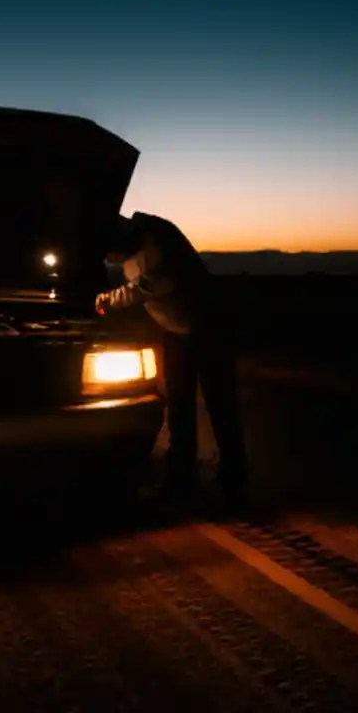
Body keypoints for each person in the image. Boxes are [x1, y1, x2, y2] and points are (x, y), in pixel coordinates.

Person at [95, 212, 248, 509]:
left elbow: (155, 283)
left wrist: (110, 300)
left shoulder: (158, 237)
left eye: (113, 254)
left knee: (220, 404)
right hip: (175, 331)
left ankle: (234, 481)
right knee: (179, 406)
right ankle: (180, 480)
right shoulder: (133, 245)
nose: (113, 259)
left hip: (208, 325)